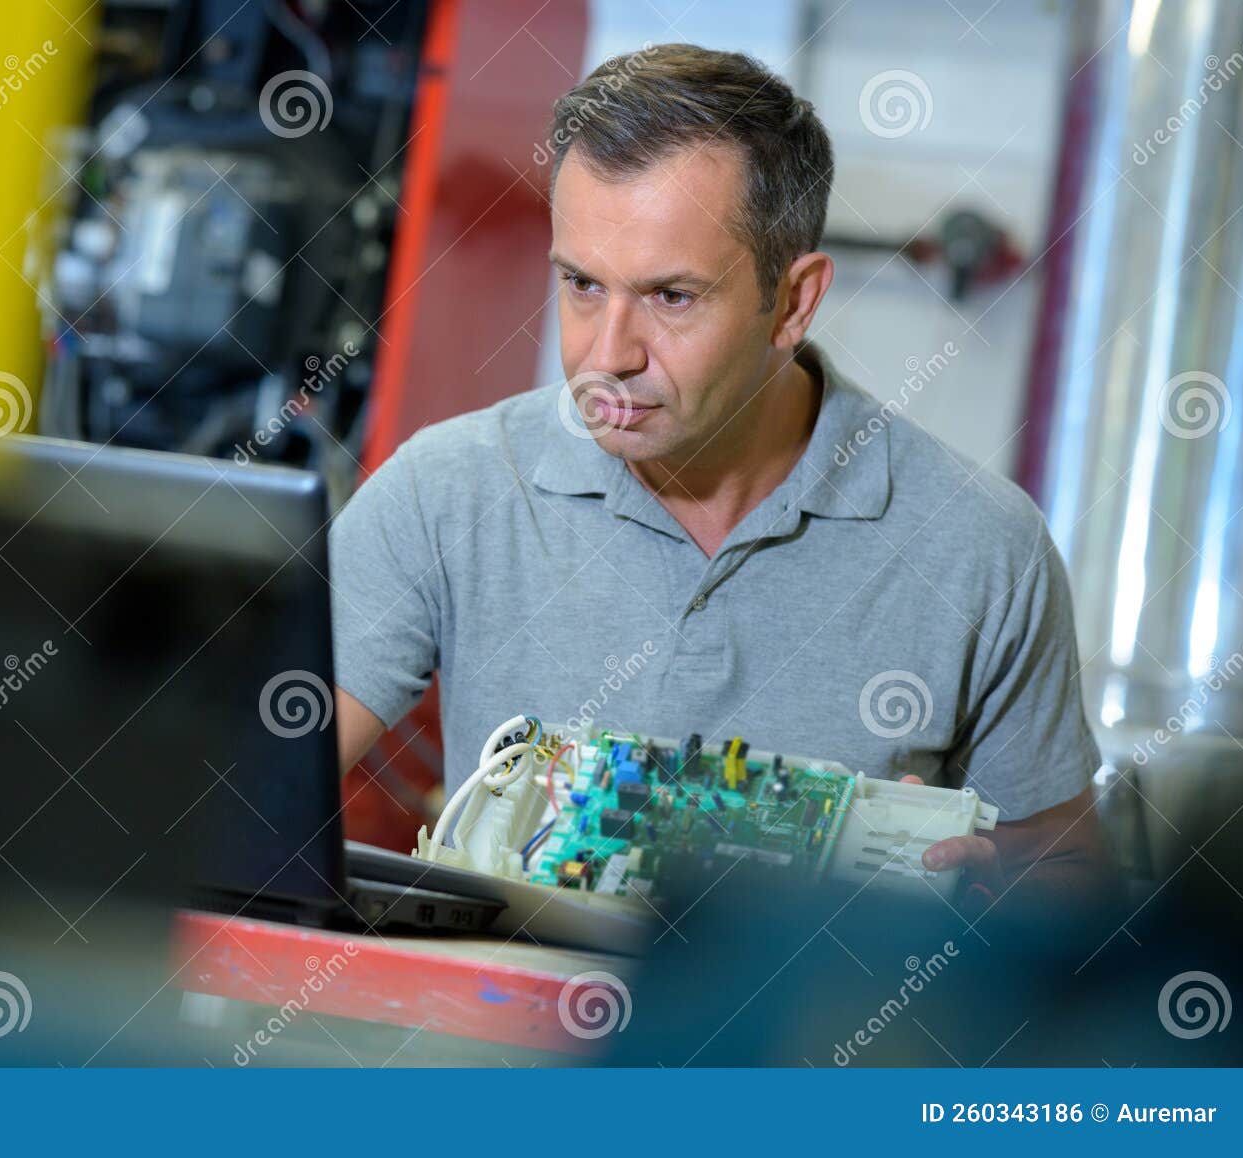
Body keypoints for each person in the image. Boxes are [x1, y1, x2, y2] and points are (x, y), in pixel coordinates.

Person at [329, 44, 1112, 913]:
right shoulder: (446, 493)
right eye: (582, 284)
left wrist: (996, 903)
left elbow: (1070, 885)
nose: (607, 355)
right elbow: (253, 789)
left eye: (671, 297)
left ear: (794, 302)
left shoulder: (979, 548)